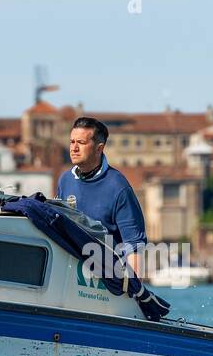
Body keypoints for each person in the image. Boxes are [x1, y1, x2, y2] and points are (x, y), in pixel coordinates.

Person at [57, 116, 147, 275]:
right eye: (72, 142)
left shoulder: (118, 186)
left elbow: (134, 245)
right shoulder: (65, 180)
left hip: (108, 279)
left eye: (81, 143)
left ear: (99, 148)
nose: (74, 148)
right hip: (72, 275)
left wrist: (134, 292)